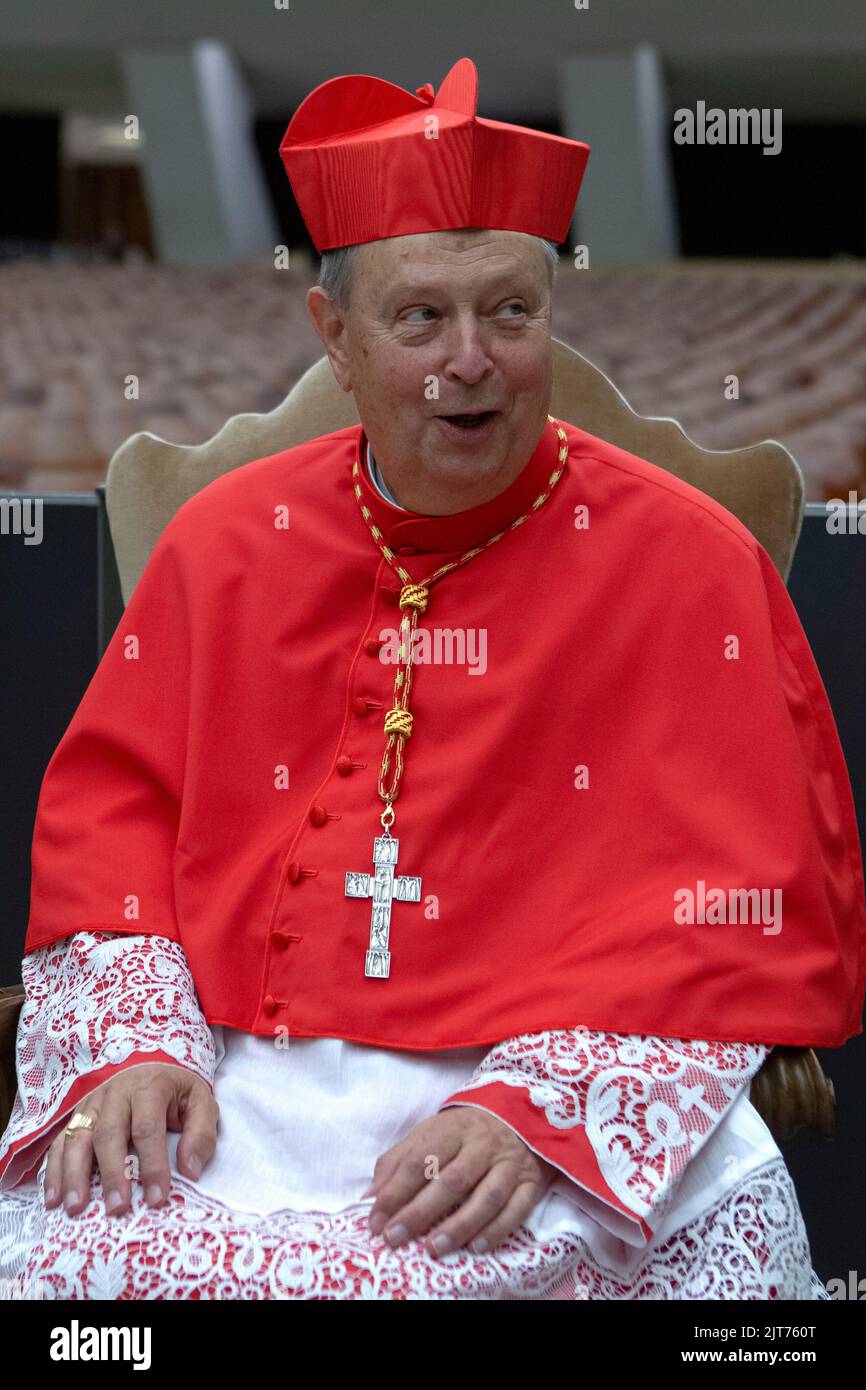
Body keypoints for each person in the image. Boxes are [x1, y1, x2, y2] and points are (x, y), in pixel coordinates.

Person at [0, 57, 862, 1301]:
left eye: (509, 313)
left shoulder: (690, 564)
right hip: (239, 1073)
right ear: (335, 337)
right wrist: (131, 1043)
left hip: (560, 1053)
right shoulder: (225, 542)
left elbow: (737, 893)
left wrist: (542, 1107)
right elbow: (115, 813)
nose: (472, 362)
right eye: (420, 319)